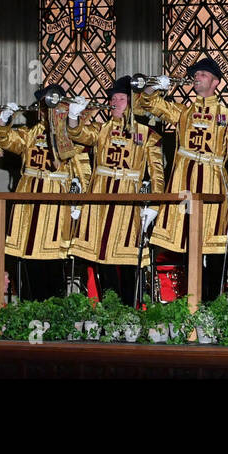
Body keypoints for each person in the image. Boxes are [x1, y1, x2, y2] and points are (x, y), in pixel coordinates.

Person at [136, 57, 228, 301]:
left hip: (213, 185)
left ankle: (213, 305)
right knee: (187, 248)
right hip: (184, 185)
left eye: (203, 75)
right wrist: (155, 84)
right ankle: (191, 304)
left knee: (217, 248)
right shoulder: (183, 112)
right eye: (195, 74)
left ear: (215, 82)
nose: (197, 78)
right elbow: (146, 102)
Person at [66, 76, 166, 304]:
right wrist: (73, 117)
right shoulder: (101, 130)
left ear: (131, 102)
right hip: (100, 202)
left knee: (129, 258)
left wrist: (154, 205)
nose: (116, 102)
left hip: (128, 203)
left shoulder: (147, 135)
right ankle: (109, 309)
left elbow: (157, 173)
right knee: (101, 257)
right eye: (113, 98)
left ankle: (130, 309)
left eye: (121, 98)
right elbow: (78, 134)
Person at [0, 83, 89, 300]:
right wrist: (4, 121)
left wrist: (79, 203)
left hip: (56, 203)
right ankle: (29, 308)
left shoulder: (71, 134)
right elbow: (4, 140)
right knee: (28, 258)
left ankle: (54, 313)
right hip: (29, 203)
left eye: (51, 104)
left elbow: (83, 172)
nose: (46, 110)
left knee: (54, 260)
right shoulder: (29, 134)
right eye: (43, 105)